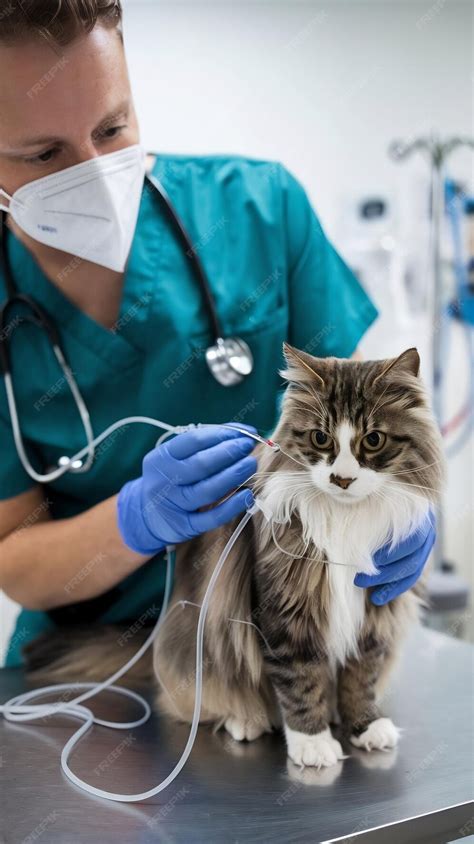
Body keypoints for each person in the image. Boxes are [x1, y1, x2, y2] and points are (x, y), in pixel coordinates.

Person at [0, 1, 434, 669]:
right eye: (44, 152)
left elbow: (359, 411)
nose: (93, 169)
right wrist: (136, 519)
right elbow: (14, 558)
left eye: (112, 127)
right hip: (84, 666)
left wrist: (403, 504)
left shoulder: (261, 208)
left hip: (275, 643)